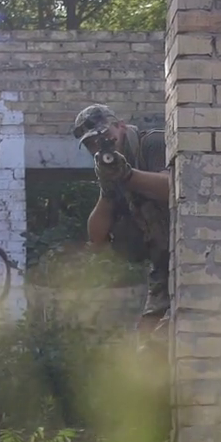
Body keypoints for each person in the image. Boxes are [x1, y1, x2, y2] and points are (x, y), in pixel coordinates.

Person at [72, 104, 172, 331]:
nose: (100, 145)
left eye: (106, 137)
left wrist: (128, 176)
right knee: (147, 341)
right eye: (91, 144)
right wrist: (107, 187)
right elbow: (97, 238)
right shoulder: (111, 170)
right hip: (162, 266)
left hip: (189, 255)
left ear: (121, 127)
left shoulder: (152, 144)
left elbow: (173, 187)